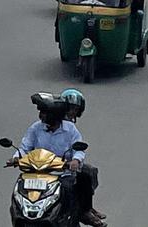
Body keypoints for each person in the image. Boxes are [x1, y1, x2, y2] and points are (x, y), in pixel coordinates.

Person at [10, 97, 106, 226]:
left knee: (75, 184)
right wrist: (16, 158)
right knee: (21, 187)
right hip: (37, 172)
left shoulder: (70, 129)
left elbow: (79, 149)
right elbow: (25, 147)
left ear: (54, 115)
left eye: (44, 112)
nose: (40, 115)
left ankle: (83, 212)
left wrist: (75, 161)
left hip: (61, 173)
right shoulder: (35, 128)